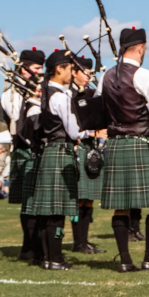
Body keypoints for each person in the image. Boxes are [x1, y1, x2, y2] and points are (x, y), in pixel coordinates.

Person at [99, 27, 149, 272]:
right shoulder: (146, 76)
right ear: (141, 47)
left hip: (113, 144)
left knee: (121, 205)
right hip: (139, 142)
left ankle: (124, 260)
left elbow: (98, 108)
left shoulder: (106, 76)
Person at [25, 50, 99, 269]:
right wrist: (93, 132)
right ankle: (55, 259)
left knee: (49, 211)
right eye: (69, 68)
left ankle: (47, 257)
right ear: (60, 69)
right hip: (61, 151)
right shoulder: (60, 96)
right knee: (57, 211)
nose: (72, 72)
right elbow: (75, 132)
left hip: (51, 152)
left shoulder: (46, 94)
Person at [1, 48, 46, 260]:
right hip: (24, 149)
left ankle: (37, 245)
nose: (39, 72)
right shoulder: (10, 94)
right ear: (23, 68)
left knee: (38, 201)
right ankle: (28, 247)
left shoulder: (38, 90)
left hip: (40, 149)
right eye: (36, 68)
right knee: (28, 201)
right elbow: (16, 118)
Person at [68, 56, 106, 254]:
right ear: (74, 72)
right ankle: (77, 242)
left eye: (90, 73)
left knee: (88, 198)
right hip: (79, 145)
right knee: (79, 198)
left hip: (91, 148)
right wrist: (91, 133)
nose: (88, 76)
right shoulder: (68, 95)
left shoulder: (91, 93)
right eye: (85, 72)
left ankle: (84, 240)